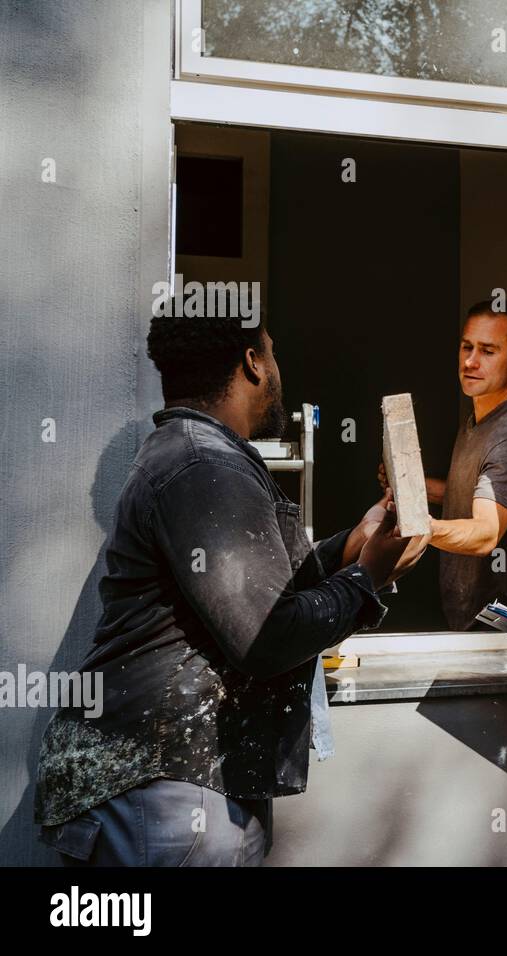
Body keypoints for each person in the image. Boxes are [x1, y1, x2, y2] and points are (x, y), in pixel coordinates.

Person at [33, 307, 429, 866]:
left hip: (170, 790)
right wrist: (369, 578)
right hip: (169, 796)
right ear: (252, 363)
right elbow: (268, 637)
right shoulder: (203, 465)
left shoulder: (192, 454)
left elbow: (254, 591)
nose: (276, 365)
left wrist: (349, 547)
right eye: (272, 350)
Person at [380, 299, 507, 630]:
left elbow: (485, 533)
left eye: (488, 351)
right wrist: (411, 488)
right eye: (466, 347)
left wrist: (420, 526)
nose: (471, 361)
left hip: (499, 628)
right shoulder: (479, 418)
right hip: (468, 617)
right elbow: (475, 495)